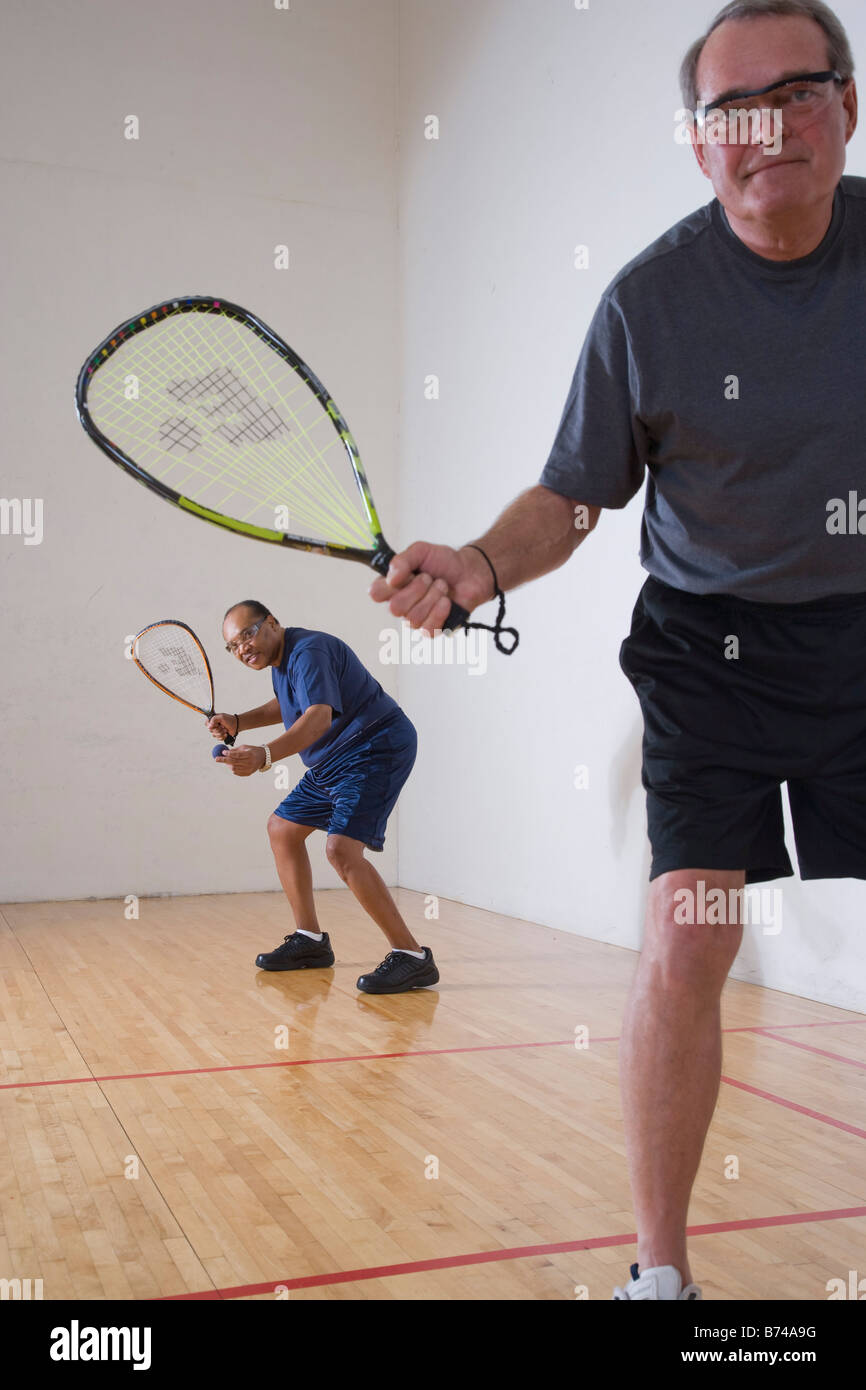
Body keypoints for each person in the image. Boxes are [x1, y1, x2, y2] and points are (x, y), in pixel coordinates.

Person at [370, 0, 861, 1299]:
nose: (763, 129)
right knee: (688, 934)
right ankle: (658, 1272)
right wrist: (477, 564)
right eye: (727, 110)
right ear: (697, 146)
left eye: (795, 91)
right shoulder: (647, 301)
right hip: (713, 653)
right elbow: (575, 494)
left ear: (847, 104)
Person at [209, 600, 439, 995]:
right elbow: (289, 704)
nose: (243, 648)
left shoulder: (309, 651)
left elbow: (316, 717)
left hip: (375, 746)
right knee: (282, 828)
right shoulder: (284, 661)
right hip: (334, 759)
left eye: (248, 634)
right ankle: (311, 942)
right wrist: (240, 721)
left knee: (342, 850)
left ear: (273, 623)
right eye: (233, 646)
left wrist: (264, 755)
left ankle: (412, 956)